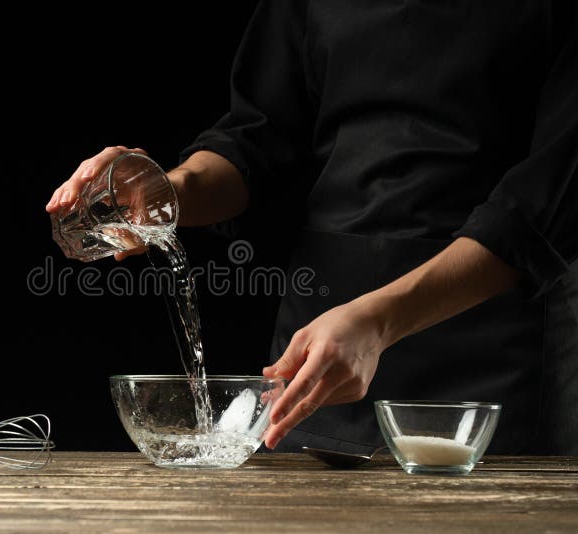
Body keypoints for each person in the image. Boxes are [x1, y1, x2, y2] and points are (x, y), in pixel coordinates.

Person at [46, 0, 578, 454]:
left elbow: (541, 207)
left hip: (499, 343)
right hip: (321, 344)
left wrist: (378, 323)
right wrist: (169, 190)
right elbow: (258, 137)